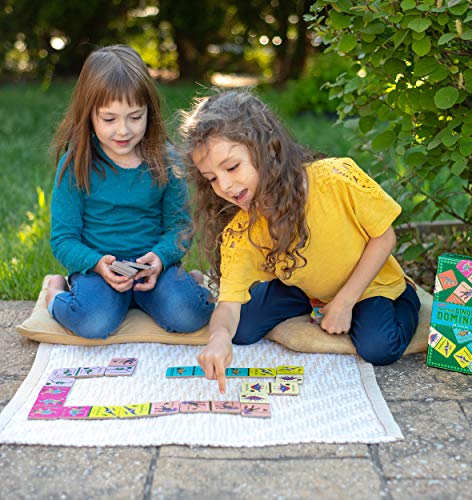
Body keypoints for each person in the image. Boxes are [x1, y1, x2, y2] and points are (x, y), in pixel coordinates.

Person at [180, 90, 421, 393]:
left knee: (379, 347)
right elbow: (228, 306)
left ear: (268, 150)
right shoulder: (242, 231)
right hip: (305, 287)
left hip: (370, 282)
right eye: (212, 178)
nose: (225, 185)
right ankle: (314, 301)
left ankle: (408, 295)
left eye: (231, 167)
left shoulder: (335, 179)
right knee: (239, 330)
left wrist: (344, 303)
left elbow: (385, 237)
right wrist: (218, 339)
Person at [46, 45, 214, 339]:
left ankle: (187, 283)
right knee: (93, 323)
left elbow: (180, 227)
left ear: (149, 110)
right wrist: (97, 265)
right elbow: (63, 238)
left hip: (153, 269)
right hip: (97, 270)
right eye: (109, 119)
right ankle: (54, 292)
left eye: (135, 117)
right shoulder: (75, 165)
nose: (123, 130)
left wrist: (161, 258)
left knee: (189, 315)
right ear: (89, 116)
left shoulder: (165, 160)